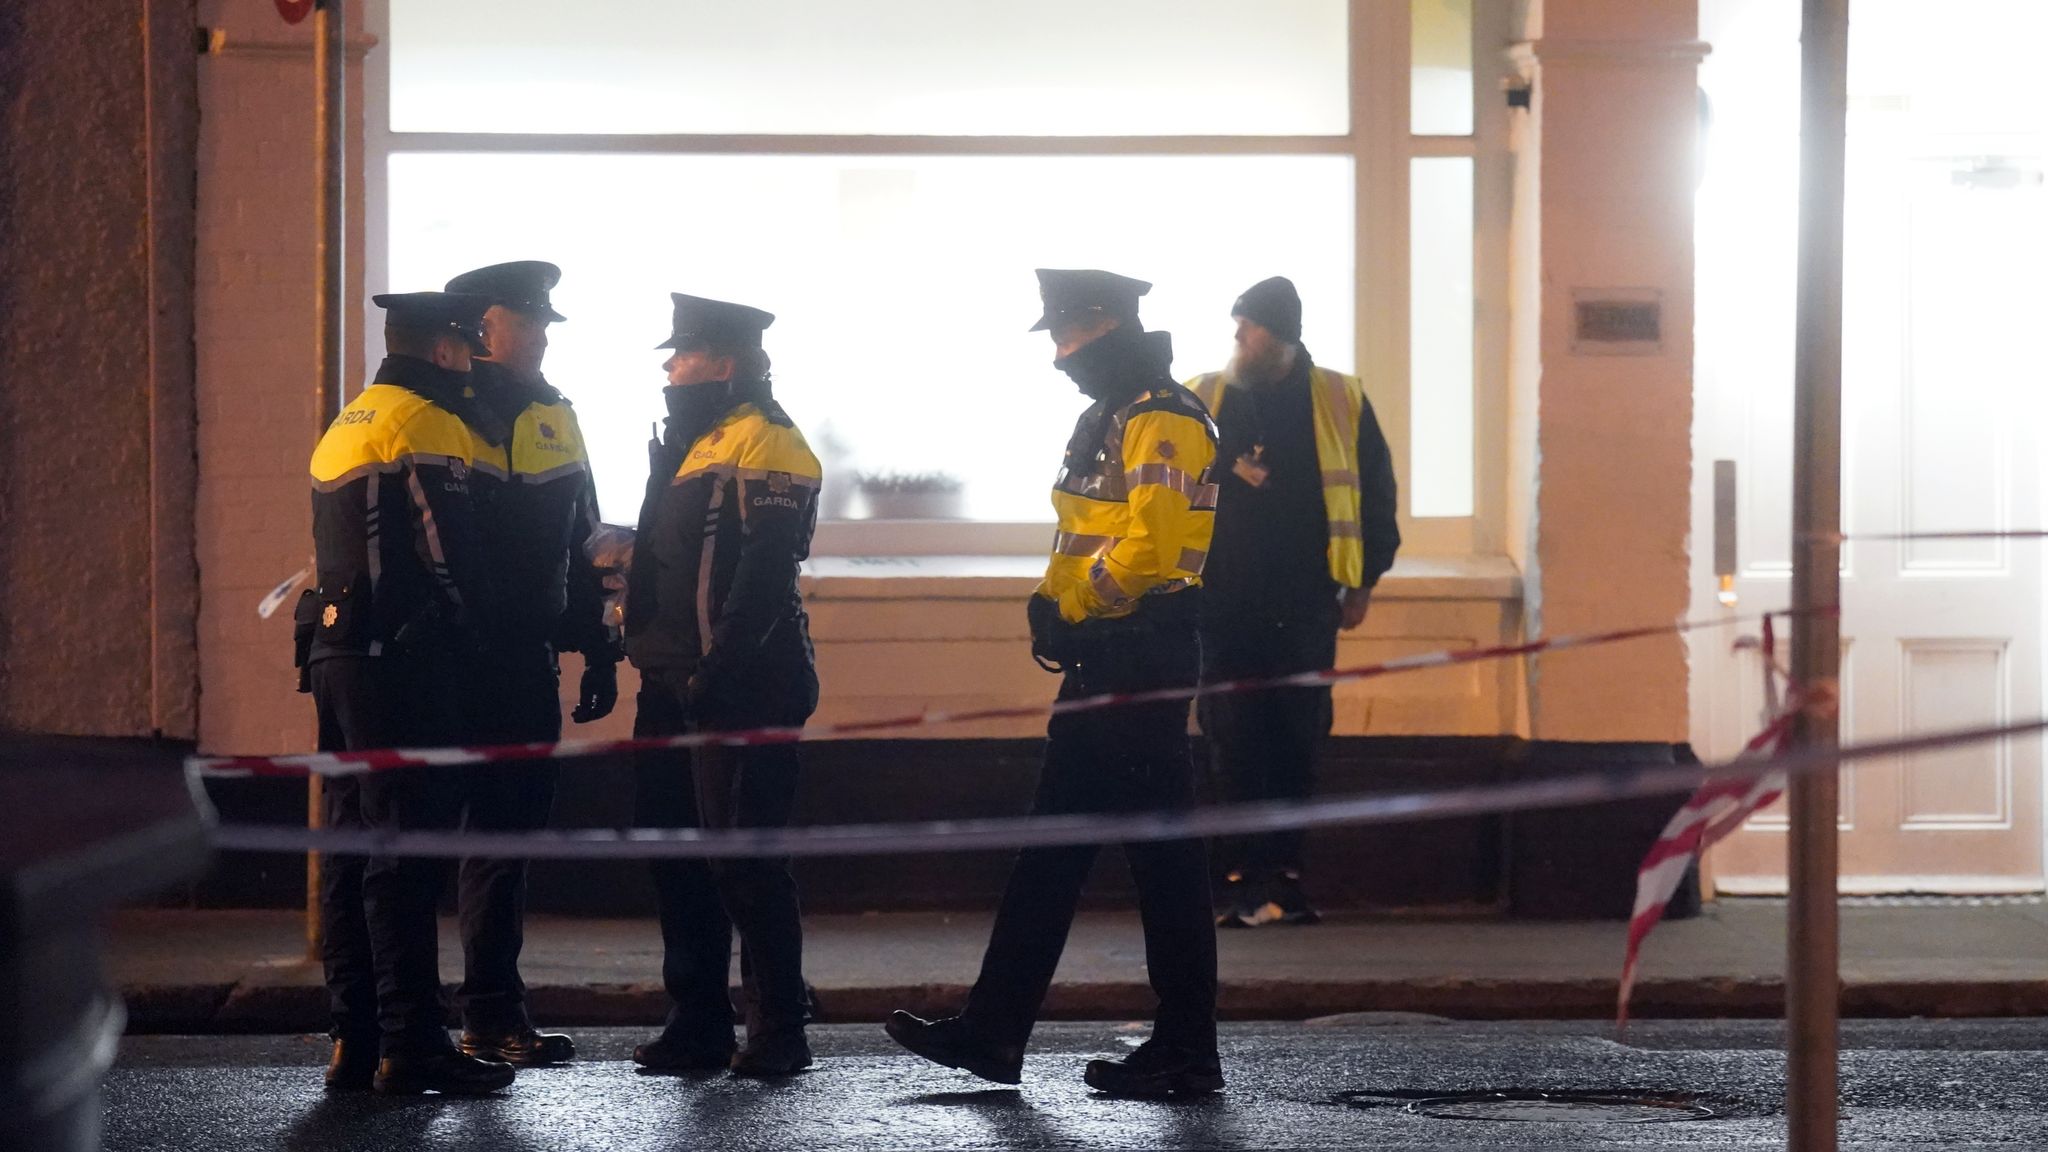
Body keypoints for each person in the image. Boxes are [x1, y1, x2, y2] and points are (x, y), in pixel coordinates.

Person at [886, 269, 1224, 1098]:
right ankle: (993, 1032)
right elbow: (1084, 533)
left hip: (1138, 656)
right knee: (1056, 855)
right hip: (1106, 657)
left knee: (1161, 863)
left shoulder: (1163, 420)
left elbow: (1148, 548)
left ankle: (1183, 1049)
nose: (1060, 356)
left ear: (1106, 325)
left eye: (1068, 337)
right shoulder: (1108, 416)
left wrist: (1074, 607)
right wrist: (1052, 601)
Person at [298, 290, 516, 1096]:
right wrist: (486, 640)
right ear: (446, 349)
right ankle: (414, 1042)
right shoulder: (426, 422)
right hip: (399, 664)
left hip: (336, 654)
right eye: (467, 349)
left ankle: (354, 1040)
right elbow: (447, 556)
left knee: (352, 849)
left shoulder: (350, 420)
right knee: (404, 855)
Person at [623, 293, 822, 1077]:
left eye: (683, 354)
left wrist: (719, 672)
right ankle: (698, 1020)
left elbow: (764, 575)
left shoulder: (769, 440)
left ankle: (779, 1029)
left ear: (724, 363)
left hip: (742, 686)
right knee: (677, 857)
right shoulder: (691, 442)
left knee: (744, 862)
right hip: (671, 681)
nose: (670, 366)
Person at [439, 260, 620, 1066]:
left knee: (505, 842)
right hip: (444, 661)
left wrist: (599, 650)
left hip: (523, 662)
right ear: (485, 326)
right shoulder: (440, 408)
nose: (545, 334)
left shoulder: (556, 414)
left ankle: (490, 1017)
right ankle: (398, 1028)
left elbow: (585, 541)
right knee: (413, 849)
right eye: (531, 320)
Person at [1184, 276, 1400, 928]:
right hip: (1220, 603)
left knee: (1297, 738)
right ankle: (1241, 877)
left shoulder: (1340, 398)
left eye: (1246, 326)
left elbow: (1376, 493)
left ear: (1278, 336)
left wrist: (1364, 583)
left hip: (1306, 603)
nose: (1236, 337)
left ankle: (1285, 875)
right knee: (1230, 737)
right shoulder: (1203, 395)